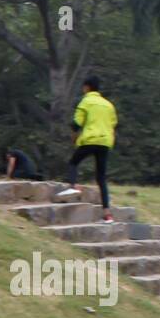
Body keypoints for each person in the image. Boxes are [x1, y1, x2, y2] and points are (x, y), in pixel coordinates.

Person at [56, 75, 118, 223]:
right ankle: (107, 214)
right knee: (101, 178)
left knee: (73, 163)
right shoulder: (108, 105)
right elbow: (113, 125)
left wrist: (74, 137)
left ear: (87, 87)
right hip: (105, 142)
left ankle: (73, 186)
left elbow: (76, 123)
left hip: (90, 139)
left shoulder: (86, 101)